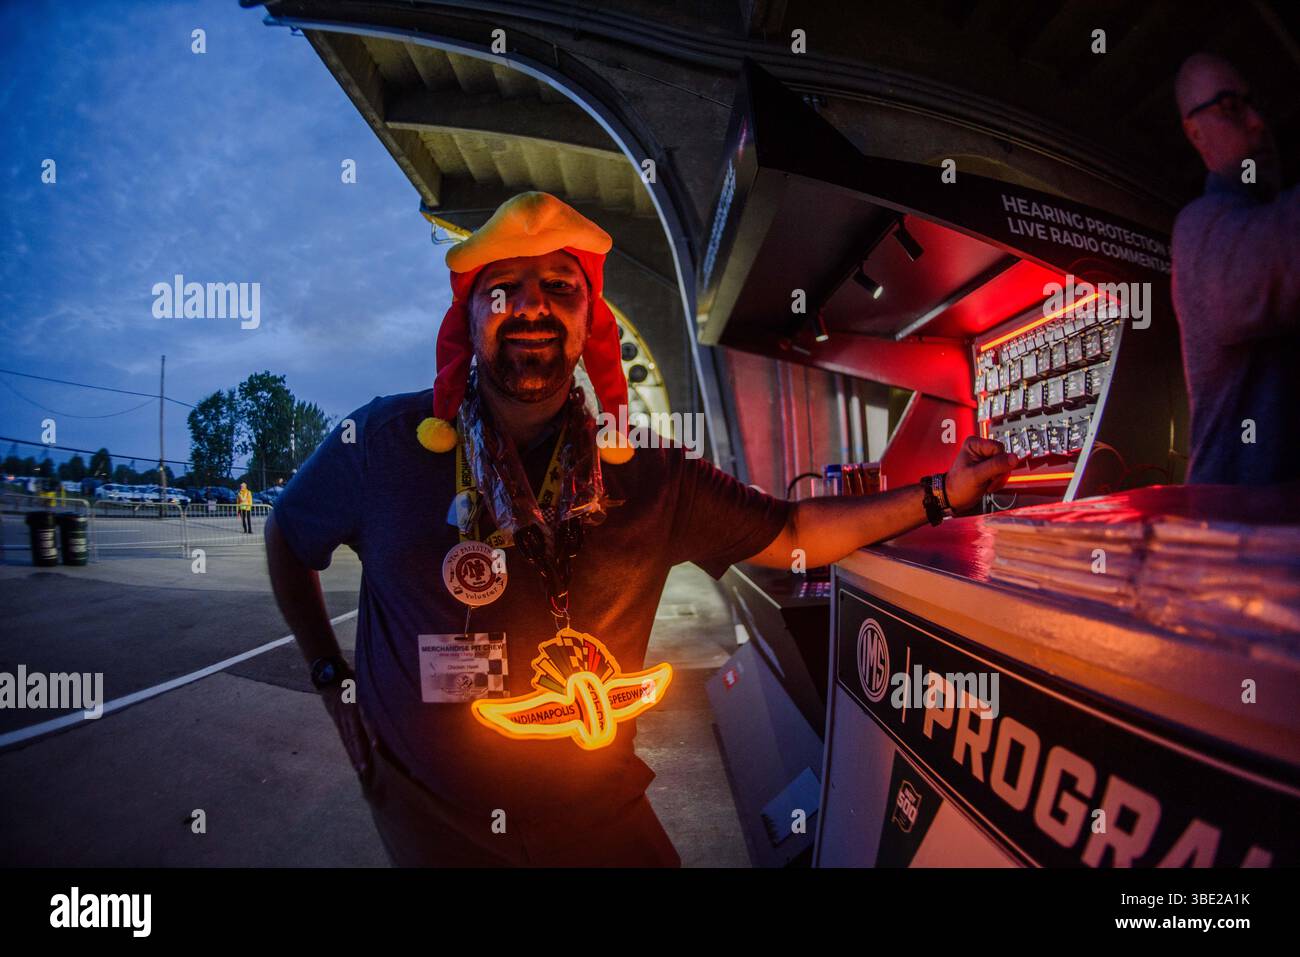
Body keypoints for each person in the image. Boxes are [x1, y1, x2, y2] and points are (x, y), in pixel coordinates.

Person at [264, 191, 1018, 867]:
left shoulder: (650, 476)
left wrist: (942, 493)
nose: (531, 306)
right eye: (504, 291)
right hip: (430, 818)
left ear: (590, 321)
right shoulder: (383, 443)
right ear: (467, 318)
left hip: (595, 811)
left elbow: (792, 529)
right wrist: (332, 680)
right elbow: (288, 539)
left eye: (559, 287)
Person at [1171, 53, 1299, 485]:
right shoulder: (1201, 226)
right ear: (1194, 133)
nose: (1258, 121)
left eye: (1253, 103)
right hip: (1236, 537)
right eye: (1230, 107)